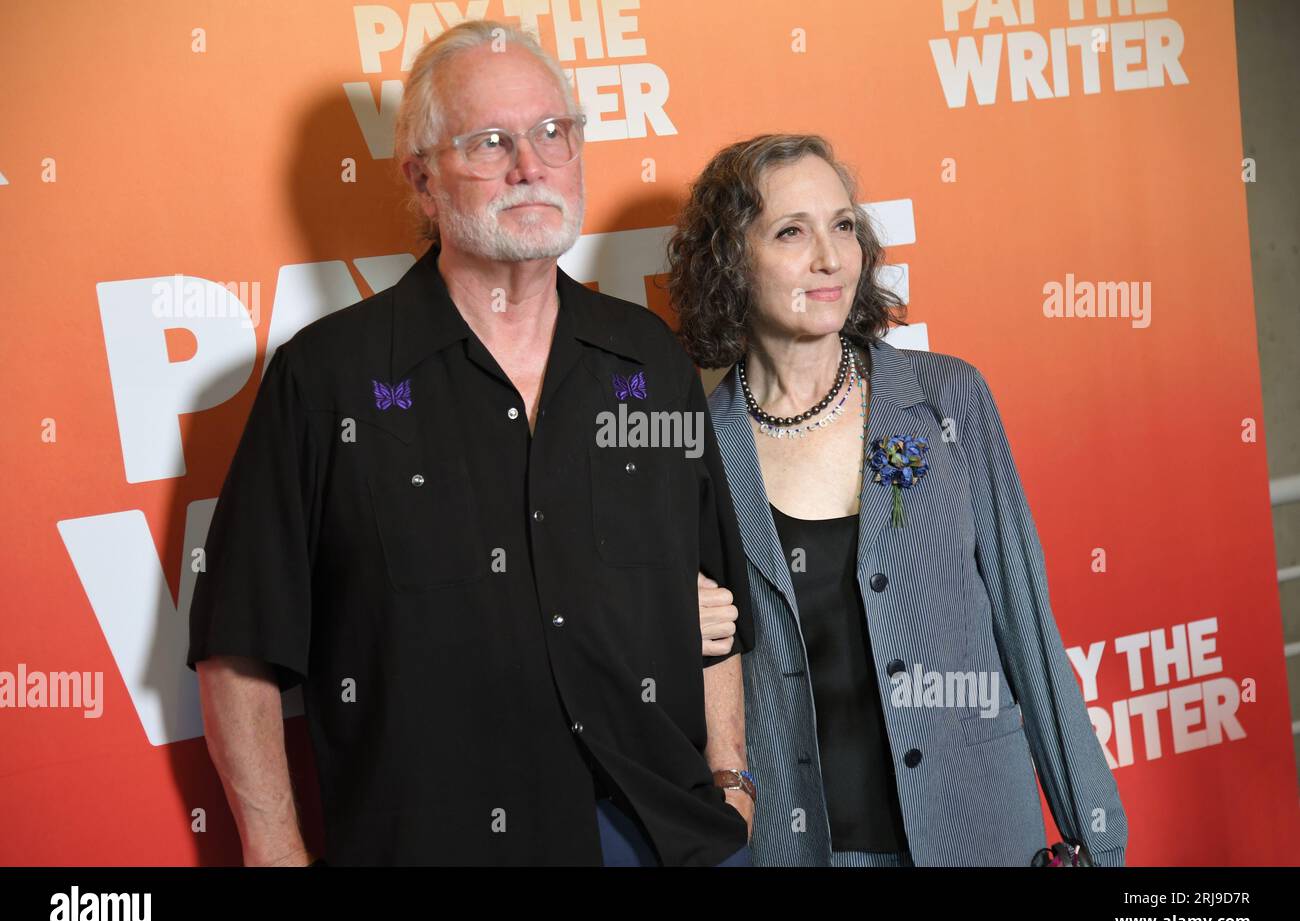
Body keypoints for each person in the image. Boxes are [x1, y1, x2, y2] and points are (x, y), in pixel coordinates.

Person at [187, 20, 756, 867]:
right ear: (421, 181)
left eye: (552, 134)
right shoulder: (325, 380)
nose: (531, 166)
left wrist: (731, 781)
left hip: (661, 837)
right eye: (490, 143)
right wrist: (275, 855)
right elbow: (240, 646)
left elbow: (714, 600)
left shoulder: (648, 358)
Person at [669, 133, 1128, 866]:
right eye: (793, 231)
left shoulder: (949, 398)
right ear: (730, 262)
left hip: (978, 832)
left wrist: (1098, 841)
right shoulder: (696, 451)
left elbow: (1027, 625)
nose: (831, 257)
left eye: (843, 225)